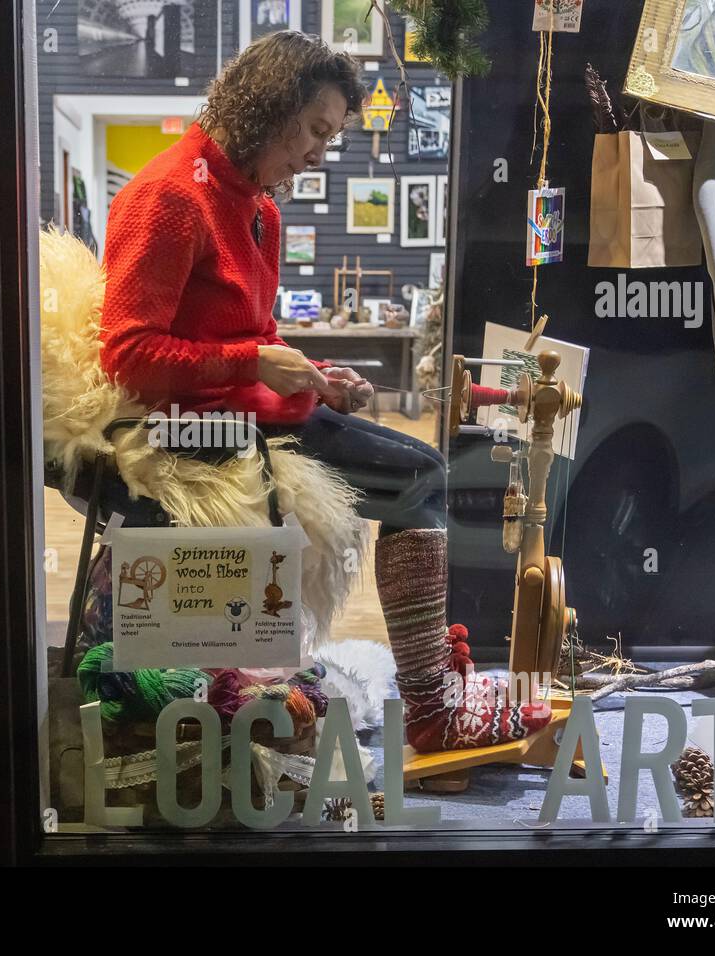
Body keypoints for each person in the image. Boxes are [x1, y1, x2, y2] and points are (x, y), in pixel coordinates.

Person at [98, 30, 548, 751]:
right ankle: (432, 706)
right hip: (197, 429)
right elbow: (128, 355)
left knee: (421, 474)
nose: (317, 154)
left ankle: (430, 695)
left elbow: (255, 333)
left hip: (247, 411)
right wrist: (254, 364)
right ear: (266, 109)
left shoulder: (257, 206)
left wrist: (317, 378)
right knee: (422, 476)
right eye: (313, 131)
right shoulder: (170, 198)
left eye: (330, 138)